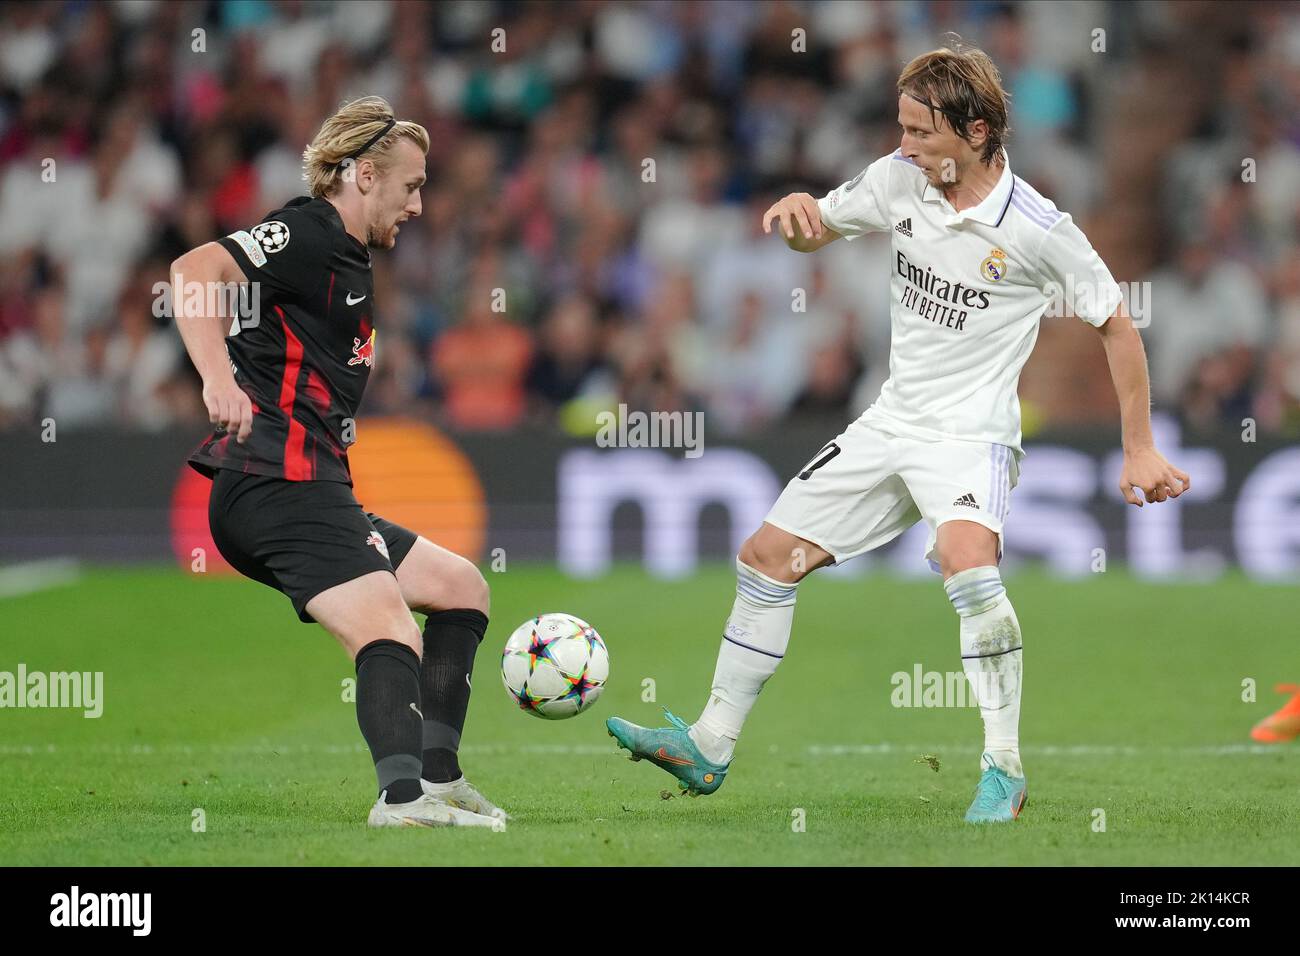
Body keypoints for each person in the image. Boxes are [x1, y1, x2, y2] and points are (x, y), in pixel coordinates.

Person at [607, 43, 1190, 824]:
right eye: (903, 128)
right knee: (767, 557)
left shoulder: (1038, 229)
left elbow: (1117, 325)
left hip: (970, 433)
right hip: (892, 419)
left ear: (976, 131)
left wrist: (1139, 445)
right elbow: (822, 230)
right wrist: (796, 221)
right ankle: (710, 742)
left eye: (921, 132)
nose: (905, 145)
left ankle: (1003, 770)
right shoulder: (897, 180)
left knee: (965, 561)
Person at [172, 96, 507, 829]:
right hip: (273, 482)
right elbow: (193, 270)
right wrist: (216, 378)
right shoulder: (308, 232)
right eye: (411, 185)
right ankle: (401, 798)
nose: (418, 204)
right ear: (361, 175)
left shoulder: (342, 255)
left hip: (309, 483)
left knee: (459, 587)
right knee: (388, 629)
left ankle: (439, 779)